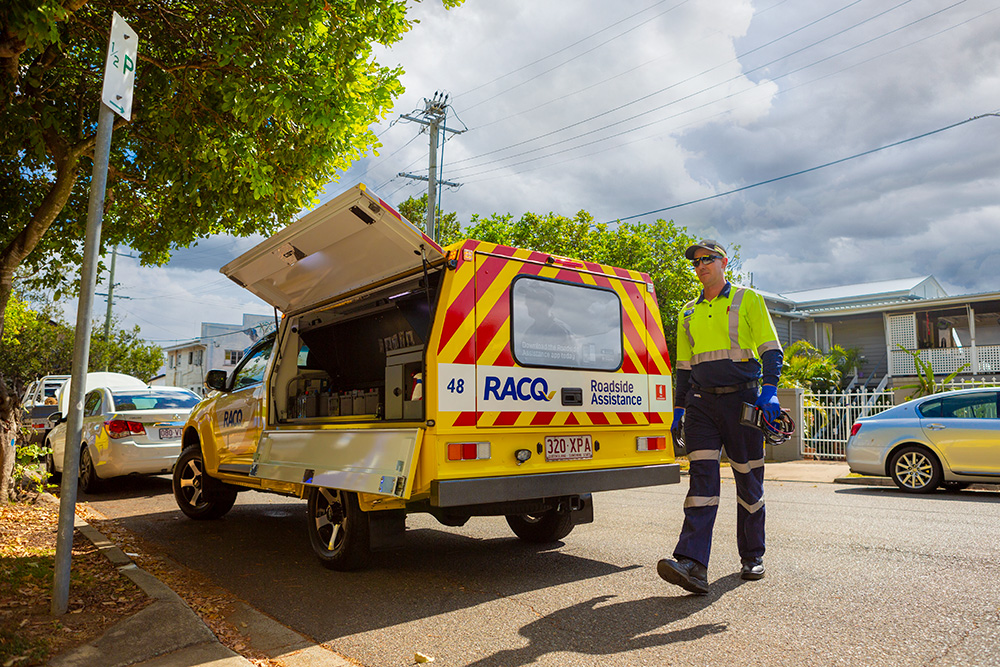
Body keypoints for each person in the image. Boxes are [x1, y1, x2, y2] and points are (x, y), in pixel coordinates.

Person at [658, 240, 783, 595]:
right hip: (700, 406)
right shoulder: (687, 312)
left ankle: (752, 555)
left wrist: (769, 390)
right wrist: (679, 408)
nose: (700, 266)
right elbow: (684, 367)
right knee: (702, 483)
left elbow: (770, 349)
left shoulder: (747, 299)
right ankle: (692, 564)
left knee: (748, 481)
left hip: (742, 401)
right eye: (696, 262)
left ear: (723, 262)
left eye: (707, 259)